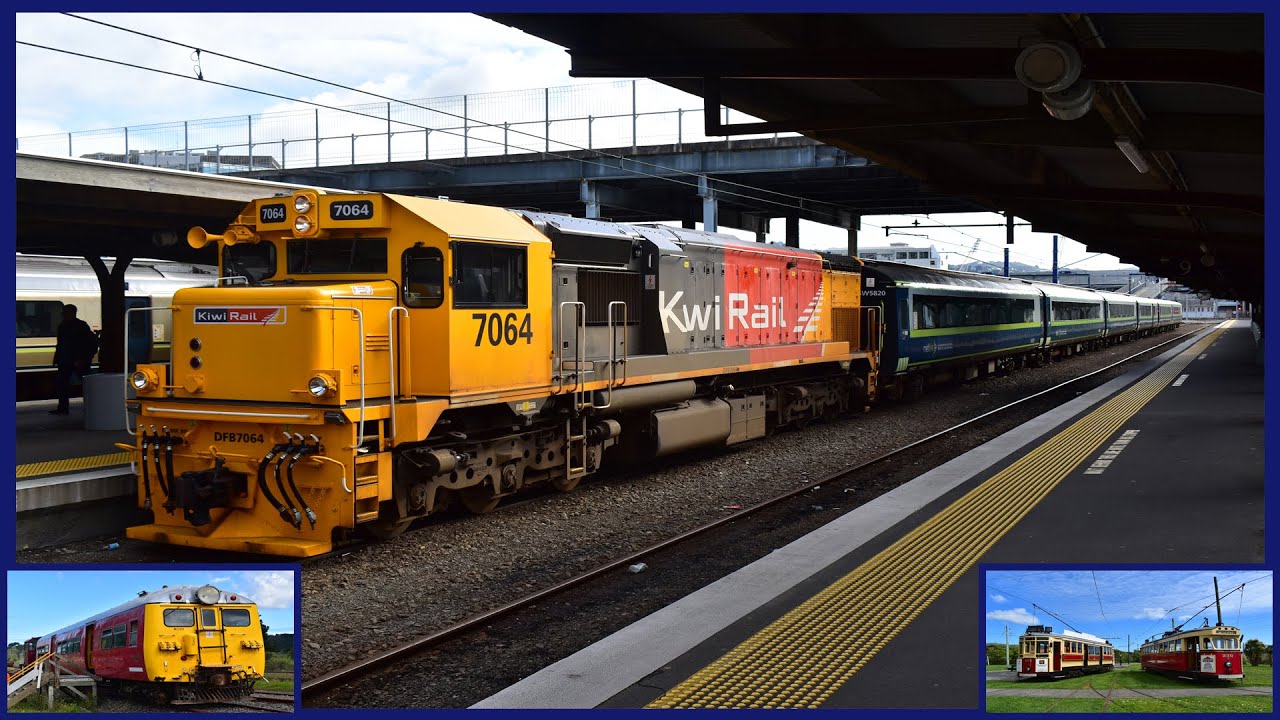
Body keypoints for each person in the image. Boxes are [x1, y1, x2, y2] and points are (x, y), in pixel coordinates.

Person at [50, 304, 99, 415]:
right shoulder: (65, 326)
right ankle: (63, 407)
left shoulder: (78, 326)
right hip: (67, 360)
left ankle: (87, 406)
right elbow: (60, 344)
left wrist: (82, 359)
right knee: (63, 385)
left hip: (77, 360)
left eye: (65, 312)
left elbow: (87, 344)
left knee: (81, 384)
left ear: (72, 313)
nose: (63, 315)